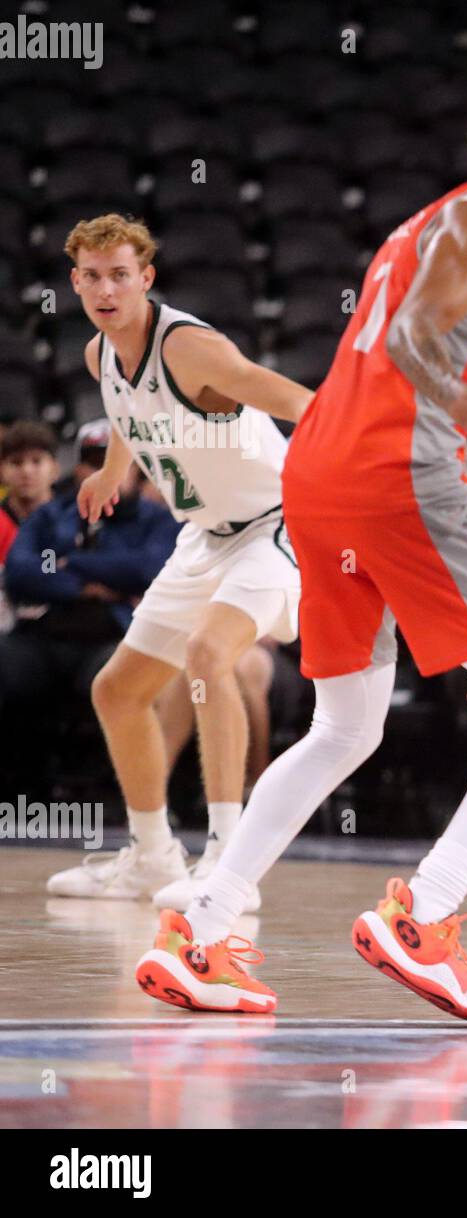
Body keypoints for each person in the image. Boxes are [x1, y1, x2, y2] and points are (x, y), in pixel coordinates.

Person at [135, 69, 467, 1024]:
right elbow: (412, 336)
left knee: (346, 727)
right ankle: (424, 915)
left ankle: (205, 931)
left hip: (320, 478)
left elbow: (409, 334)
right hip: (400, 481)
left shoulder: (431, 221)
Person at [44, 213, 309, 909]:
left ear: (146, 279)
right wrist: (111, 472)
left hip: (276, 525)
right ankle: (155, 857)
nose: (107, 290)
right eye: (93, 277)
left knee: (208, 655)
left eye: (120, 276)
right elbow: (133, 414)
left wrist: (344, 442)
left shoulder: (189, 346)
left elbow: (282, 394)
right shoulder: (101, 355)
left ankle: (228, 862)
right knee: (116, 690)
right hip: (205, 536)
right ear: (75, 283)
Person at [2, 457, 178, 792]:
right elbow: (23, 572)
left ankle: (117, 790)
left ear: (136, 472)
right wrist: (87, 585)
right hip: (46, 634)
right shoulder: (52, 516)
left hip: (114, 635)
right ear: (77, 471)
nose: (103, 473)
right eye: (90, 463)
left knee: (121, 677)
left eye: (115, 465)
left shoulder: (156, 519)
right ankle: (21, 784)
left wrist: (75, 562)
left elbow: (148, 570)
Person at [0, 420, 60, 632]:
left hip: (67, 631)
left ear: (55, 469)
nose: (26, 471)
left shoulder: (77, 519)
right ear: (2, 470)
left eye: (36, 461)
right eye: (16, 462)